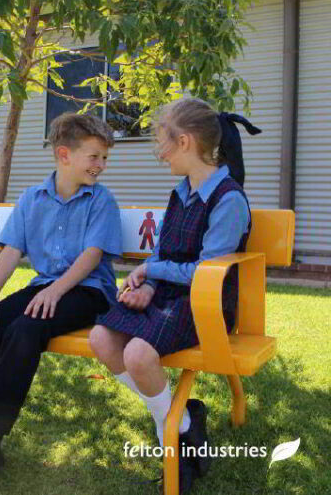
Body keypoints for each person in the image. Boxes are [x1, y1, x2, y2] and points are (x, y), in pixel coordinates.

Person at [0, 113, 122, 484]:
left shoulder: (100, 200)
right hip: (45, 287)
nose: (101, 165)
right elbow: (10, 250)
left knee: (26, 329)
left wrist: (55, 290)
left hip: (88, 292)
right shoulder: (32, 198)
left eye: (104, 158)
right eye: (94, 156)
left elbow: (92, 256)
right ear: (65, 154)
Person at [89, 98, 260, 494]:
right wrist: (146, 286)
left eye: (162, 142)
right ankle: (183, 425)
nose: (160, 153)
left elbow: (205, 271)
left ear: (184, 142)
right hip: (168, 294)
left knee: (137, 354)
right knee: (101, 338)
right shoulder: (181, 192)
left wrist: (152, 272)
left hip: (206, 302)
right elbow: (163, 252)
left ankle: (171, 443)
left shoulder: (228, 198)